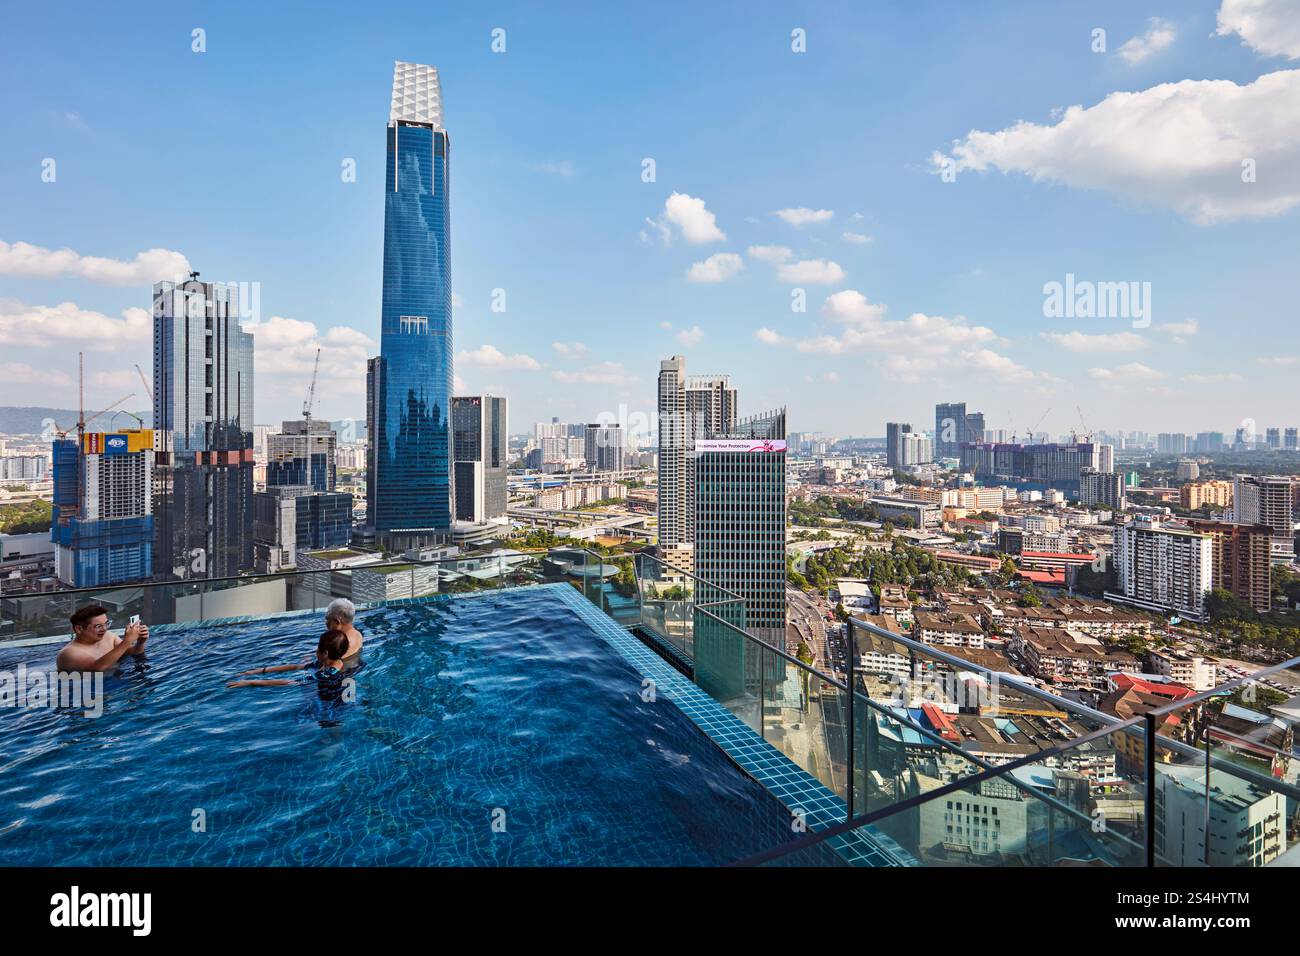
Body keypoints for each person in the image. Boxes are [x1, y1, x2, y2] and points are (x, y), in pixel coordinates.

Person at [227, 629, 349, 692]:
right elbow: (295, 667)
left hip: (332, 713)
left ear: (326, 653)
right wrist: (260, 671)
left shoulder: (326, 675)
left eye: (318, 647)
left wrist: (250, 683)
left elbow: (290, 682)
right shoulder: (329, 662)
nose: (315, 650)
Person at [56, 605, 149, 673]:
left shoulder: (108, 636)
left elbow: (134, 653)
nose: (104, 629)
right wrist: (128, 640)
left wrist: (140, 643)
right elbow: (97, 668)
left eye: (106, 624)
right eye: (98, 626)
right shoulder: (69, 653)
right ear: (79, 629)